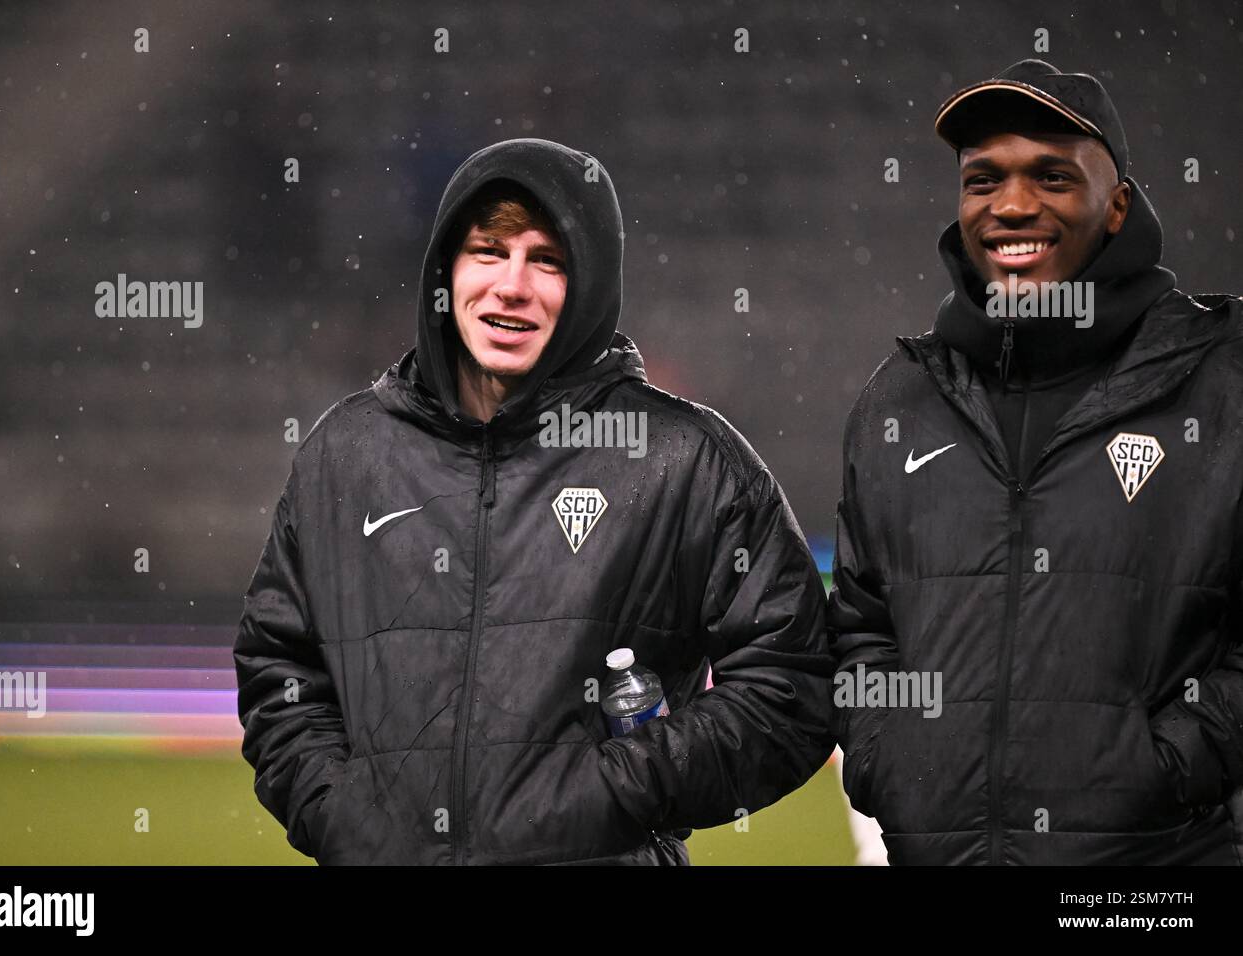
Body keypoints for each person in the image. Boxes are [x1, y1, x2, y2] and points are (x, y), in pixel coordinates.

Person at [234, 137, 836, 865]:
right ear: (445, 271)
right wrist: (344, 818)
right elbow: (278, 669)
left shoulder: (684, 459)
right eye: (488, 251)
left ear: (591, 282)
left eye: (547, 260)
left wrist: (623, 787)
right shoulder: (345, 454)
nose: (511, 286)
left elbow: (791, 685)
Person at [828, 59, 1243, 864]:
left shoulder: (1224, 380)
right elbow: (860, 629)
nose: (1012, 205)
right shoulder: (900, 399)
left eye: (1052, 176)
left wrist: (1162, 769)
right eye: (984, 181)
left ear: (1117, 204)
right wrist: (890, 757)